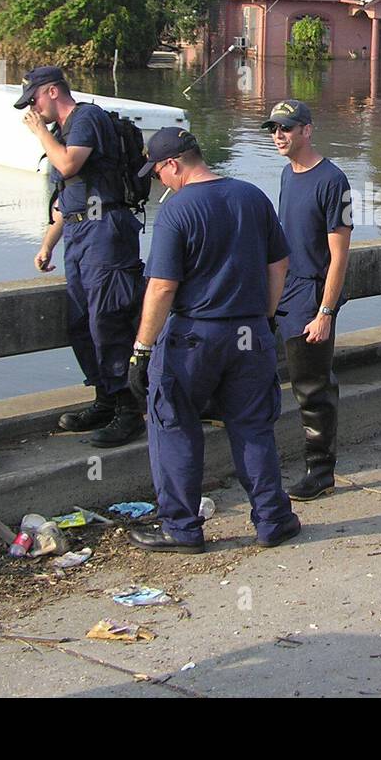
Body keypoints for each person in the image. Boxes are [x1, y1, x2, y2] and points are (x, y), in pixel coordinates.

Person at [125, 127, 300, 553]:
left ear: (173, 165)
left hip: (194, 338)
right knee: (254, 427)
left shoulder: (177, 210)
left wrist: (141, 349)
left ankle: (182, 528)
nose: (159, 183)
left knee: (175, 425)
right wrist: (266, 317)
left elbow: (163, 287)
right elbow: (280, 264)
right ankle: (273, 520)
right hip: (250, 333)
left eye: (158, 173)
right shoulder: (252, 196)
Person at [18, 66, 145, 447]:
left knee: (108, 319)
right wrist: (48, 244)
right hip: (78, 231)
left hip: (106, 231)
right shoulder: (63, 132)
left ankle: (128, 409)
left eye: (34, 100)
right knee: (80, 322)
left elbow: (69, 164)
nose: (32, 109)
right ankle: (105, 398)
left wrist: (40, 133)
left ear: (53, 91)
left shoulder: (86, 118)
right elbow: (67, 199)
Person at [263, 99, 353, 502]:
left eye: (286, 128)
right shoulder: (286, 174)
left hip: (313, 294)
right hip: (286, 289)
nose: (278, 135)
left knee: (313, 386)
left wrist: (325, 313)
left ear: (307, 130)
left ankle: (321, 471)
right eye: (273, 129)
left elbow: (340, 256)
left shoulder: (335, 181)